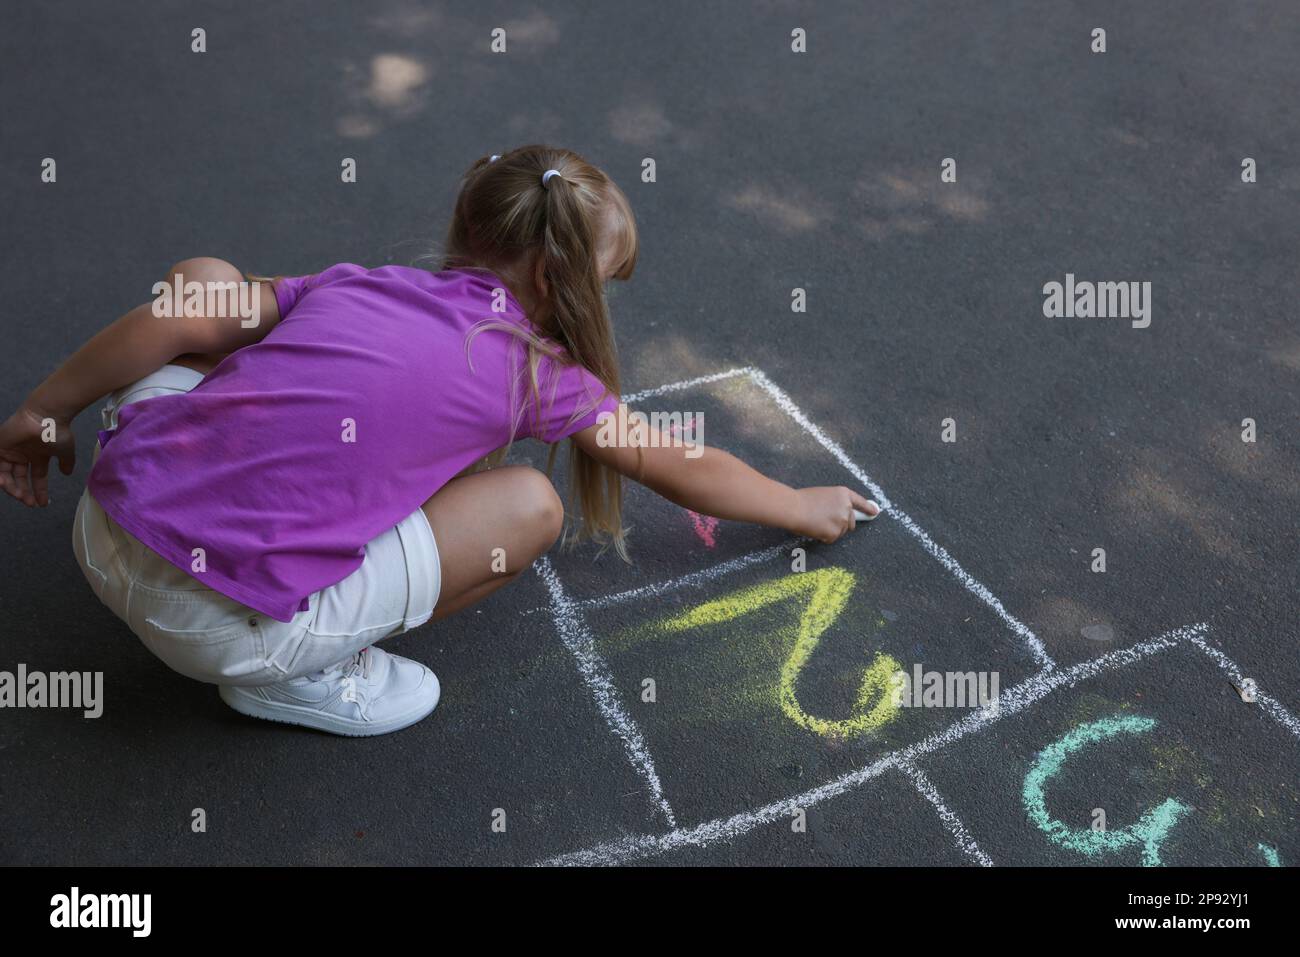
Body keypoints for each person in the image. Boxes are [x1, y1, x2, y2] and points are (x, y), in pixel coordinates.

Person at [0, 145, 879, 736]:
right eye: (604, 284)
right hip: (213, 626)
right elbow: (676, 461)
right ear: (555, 279)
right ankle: (296, 677)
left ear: (467, 226)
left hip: (107, 523)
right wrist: (798, 503)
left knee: (207, 283)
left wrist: (43, 413)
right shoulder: (538, 373)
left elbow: (189, 309)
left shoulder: (367, 284)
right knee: (530, 505)